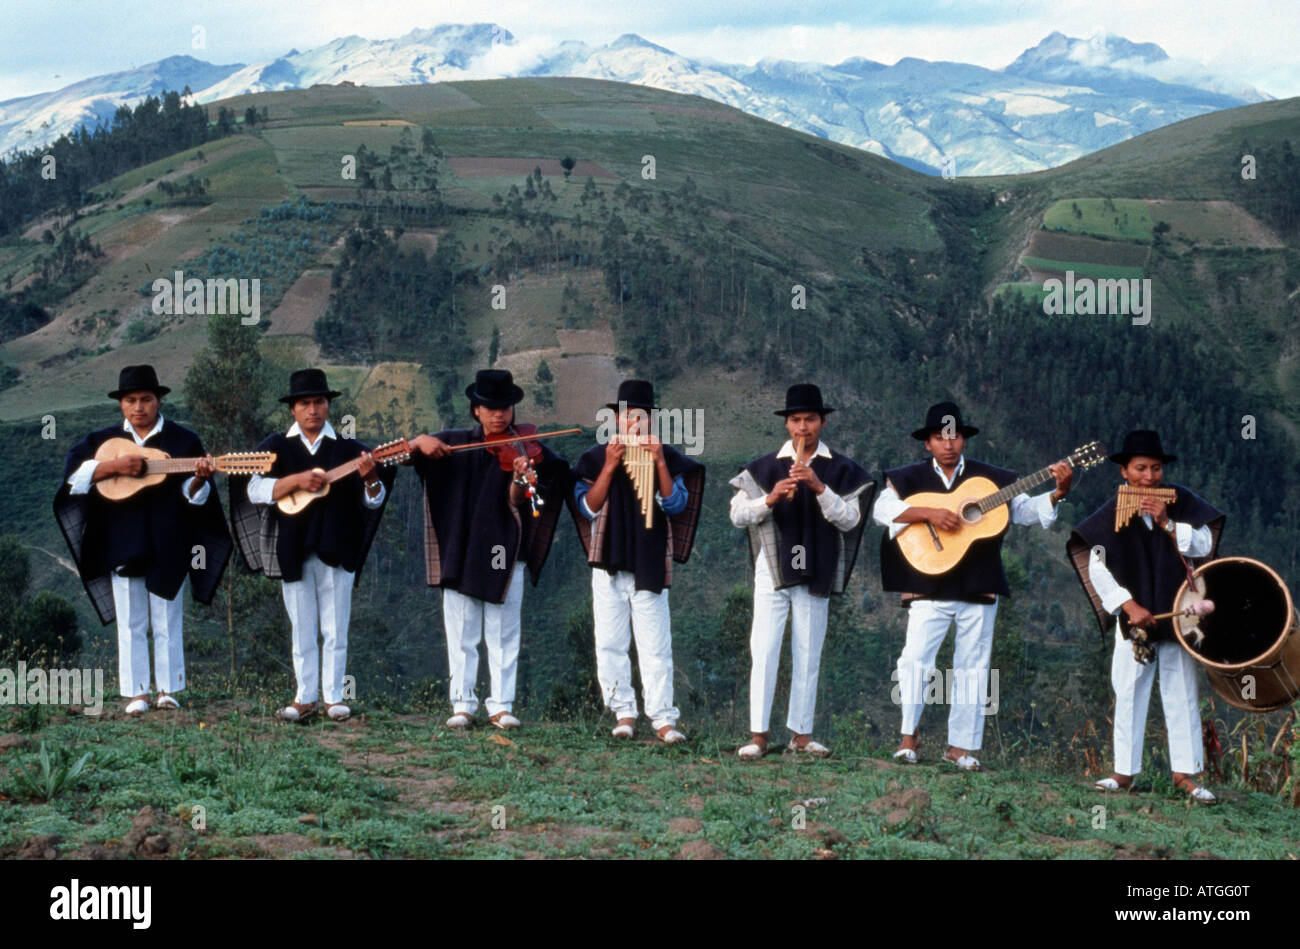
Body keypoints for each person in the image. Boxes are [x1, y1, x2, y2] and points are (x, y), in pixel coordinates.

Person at [873, 401, 1071, 770]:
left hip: (979, 583)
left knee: (974, 666)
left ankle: (960, 747)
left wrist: (1058, 493)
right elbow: (882, 511)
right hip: (927, 580)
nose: (949, 444)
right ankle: (908, 738)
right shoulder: (907, 477)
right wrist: (929, 512)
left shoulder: (992, 479)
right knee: (915, 660)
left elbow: (1025, 513)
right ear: (928, 443)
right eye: (940, 437)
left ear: (964, 440)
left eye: (955, 436)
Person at [54, 365, 232, 714]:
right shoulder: (100, 442)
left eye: (146, 399)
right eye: (131, 400)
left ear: (159, 400)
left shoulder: (184, 441)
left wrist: (199, 480)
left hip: (169, 539)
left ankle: (167, 690)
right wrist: (115, 467)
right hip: (120, 538)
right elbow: (74, 480)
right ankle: (137, 693)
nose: (139, 407)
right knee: (132, 619)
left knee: (167, 616)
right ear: (121, 404)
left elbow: (195, 497)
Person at [1066, 430, 1223, 804]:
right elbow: (1098, 564)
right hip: (1136, 619)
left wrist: (1168, 522)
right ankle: (1124, 773)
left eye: (1155, 468)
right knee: (1129, 690)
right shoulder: (1112, 511)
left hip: (1177, 614)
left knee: (1182, 692)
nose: (1150, 477)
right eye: (1140, 469)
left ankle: (1185, 775)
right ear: (1124, 471)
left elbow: (1204, 545)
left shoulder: (1181, 501)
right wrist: (1127, 605)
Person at [408, 369, 570, 731]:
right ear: (476, 410)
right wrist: (420, 441)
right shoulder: (455, 442)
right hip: (462, 547)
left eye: (506, 407)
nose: (499, 415)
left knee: (503, 631)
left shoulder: (527, 449)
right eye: (490, 407)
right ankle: (462, 705)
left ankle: (500, 706)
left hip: (505, 549)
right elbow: (409, 455)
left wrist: (520, 480)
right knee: (462, 633)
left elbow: (526, 502)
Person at [230, 369, 394, 723]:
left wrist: (370, 480)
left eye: (319, 402)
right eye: (305, 403)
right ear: (293, 409)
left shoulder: (350, 449)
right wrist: (294, 481)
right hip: (293, 545)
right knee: (301, 625)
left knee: (336, 626)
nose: (313, 410)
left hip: (338, 545)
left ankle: (335, 697)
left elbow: (374, 502)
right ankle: (305, 697)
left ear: (328, 405)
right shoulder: (276, 446)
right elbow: (254, 490)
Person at [729, 384, 875, 759]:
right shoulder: (764, 467)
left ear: (822, 422)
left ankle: (801, 734)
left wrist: (819, 487)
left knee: (808, 649)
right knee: (764, 647)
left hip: (816, 566)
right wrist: (770, 498)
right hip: (775, 566)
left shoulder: (841, 468)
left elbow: (850, 520)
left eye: (810, 419)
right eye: (795, 420)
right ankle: (758, 735)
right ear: (786, 424)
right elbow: (737, 515)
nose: (803, 428)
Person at [567, 380, 705, 744]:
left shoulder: (669, 457)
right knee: (610, 642)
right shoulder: (596, 458)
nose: (634, 424)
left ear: (651, 421)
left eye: (641, 417)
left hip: (649, 562)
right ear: (616, 419)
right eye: (628, 416)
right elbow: (587, 508)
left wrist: (659, 462)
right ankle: (623, 713)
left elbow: (674, 505)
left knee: (656, 645)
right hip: (608, 562)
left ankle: (662, 718)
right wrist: (610, 467)